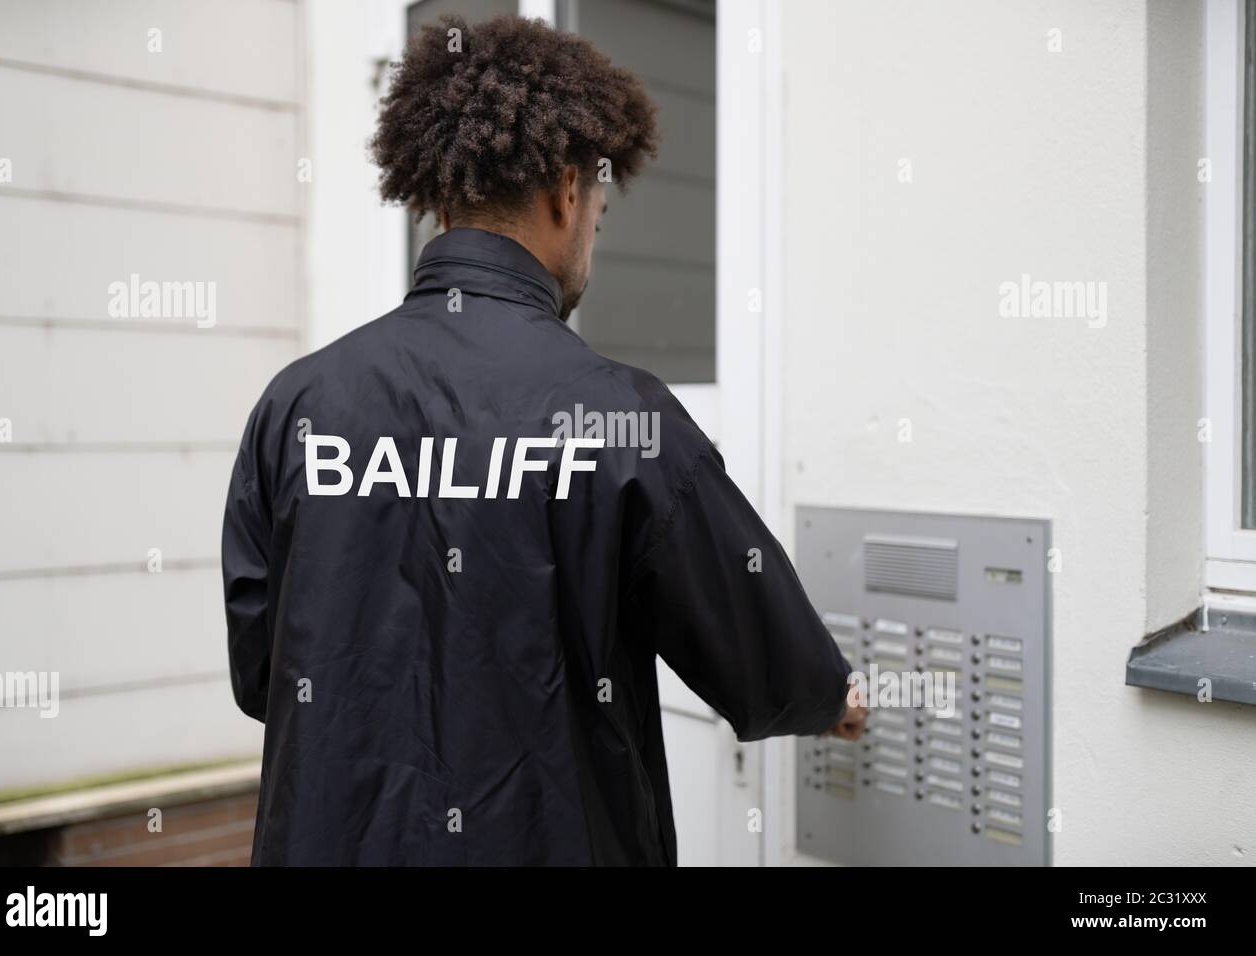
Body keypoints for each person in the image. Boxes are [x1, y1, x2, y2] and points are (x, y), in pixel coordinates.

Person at [221, 12, 865, 867]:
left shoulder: (298, 402)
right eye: (598, 211)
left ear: (439, 196)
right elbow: (768, 664)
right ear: (568, 190)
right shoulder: (618, 416)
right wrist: (838, 697)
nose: (593, 236)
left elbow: (265, 675)